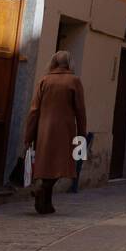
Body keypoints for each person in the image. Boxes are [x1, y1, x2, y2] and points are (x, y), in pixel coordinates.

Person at [23, 50, 87, 215]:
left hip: (43, 129)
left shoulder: (44, 80)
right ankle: (42, 190)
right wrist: (82, 135)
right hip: (64, 130)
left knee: (46, 165)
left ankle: (46, 203)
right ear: (69, 63)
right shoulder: (74, 81)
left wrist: (28, 135)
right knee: (62, 165)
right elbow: (80, 111)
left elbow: (34, 110)